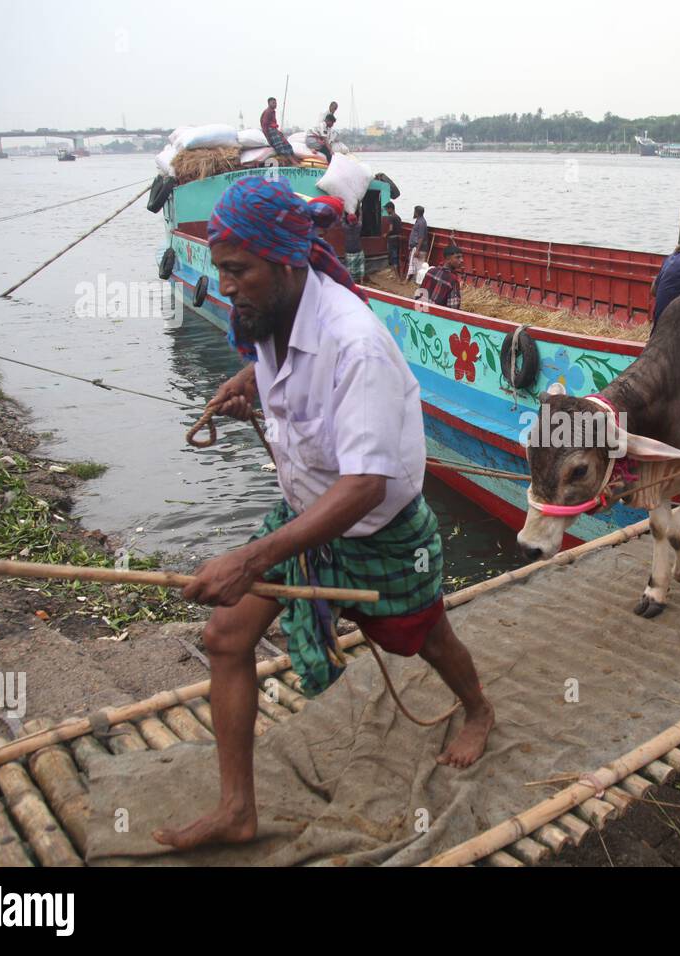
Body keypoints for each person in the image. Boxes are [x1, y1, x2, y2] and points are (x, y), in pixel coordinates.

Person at [152, 178, 493, 851]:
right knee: (226, 638)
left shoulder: (353, 343)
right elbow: (278, 369)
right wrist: (248, 380)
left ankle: (479, 709)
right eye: (221, 269)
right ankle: (236, 809)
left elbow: (366, 485)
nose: (226, 286)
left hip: (377, 528)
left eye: (238, 270)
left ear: (284, 264)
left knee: (424, 638)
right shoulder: (270, 314)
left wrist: (251, 557)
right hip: (306, 508)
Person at [259, 96, 294, 163]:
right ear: (269, 103)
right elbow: (264, 125)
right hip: (271, 132)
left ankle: (294, 159)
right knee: (281, 146)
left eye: (276, 103)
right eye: (273, 103)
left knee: (286, 143)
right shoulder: (268, 112)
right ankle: (293, 161)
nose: (275, 104)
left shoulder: (272, 111)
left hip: (274, 130)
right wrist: (268, 138)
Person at [407, 206, 429, 280]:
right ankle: (413, 280)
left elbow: (421, 237)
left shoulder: (421, 222)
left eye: (414, 211)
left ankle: (418, 282)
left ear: (416, 212)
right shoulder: (419, 221)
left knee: (419, 266)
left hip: (420, 248)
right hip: (416, 247)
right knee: (414, 265)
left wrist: (417, 250)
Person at [383, 201, 403, 275]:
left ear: (391, 209)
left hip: (392, 239)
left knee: (393, 257)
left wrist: (386, 234)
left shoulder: (391, 217)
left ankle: (397, 276)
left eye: (387, 209)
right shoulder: (398, 217)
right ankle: (398, 275)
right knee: (397, 256)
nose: (387, 211)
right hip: (397, 238)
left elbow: (391, 229)